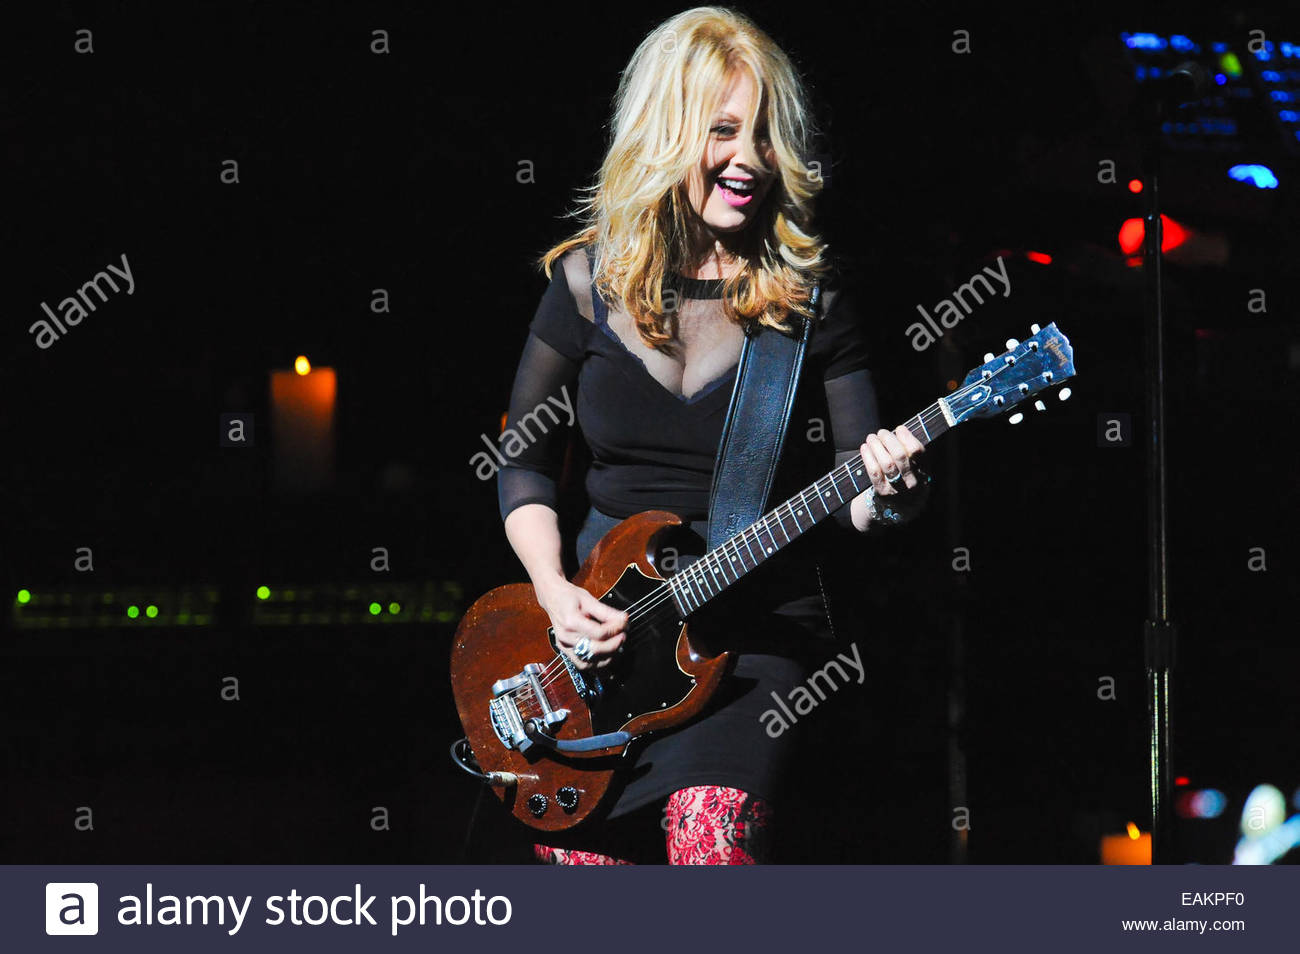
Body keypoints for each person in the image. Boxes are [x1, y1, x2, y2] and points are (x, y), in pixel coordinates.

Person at [495, 6, 930, 865]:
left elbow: (861, 490)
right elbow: (524, 464)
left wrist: (891, 492)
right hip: (603, 650)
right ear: (667, 133)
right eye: (723, 132)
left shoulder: (813, 300)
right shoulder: (588, 285)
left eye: (765, 137)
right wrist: (553, 591)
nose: (750, 161)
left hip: (750, 646)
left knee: (709, 839)